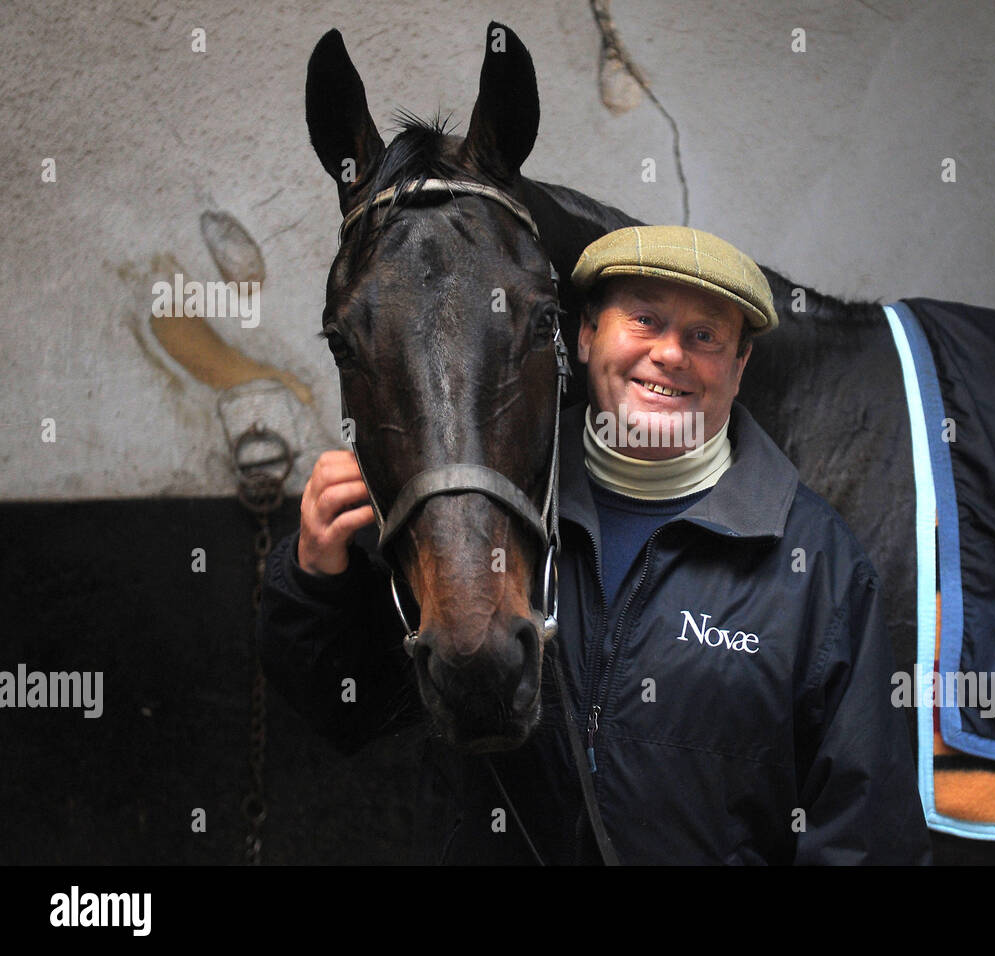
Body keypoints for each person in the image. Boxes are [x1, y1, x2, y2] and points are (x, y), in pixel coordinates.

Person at [257, 224, 931, 865]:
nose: (670, 354)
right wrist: (315, 578)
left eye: (704, 336)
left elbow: (865, 831)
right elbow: (343, 710)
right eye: (645, 320)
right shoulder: (478, 508)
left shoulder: (814, 562)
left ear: (739, 365)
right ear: (584, 335)